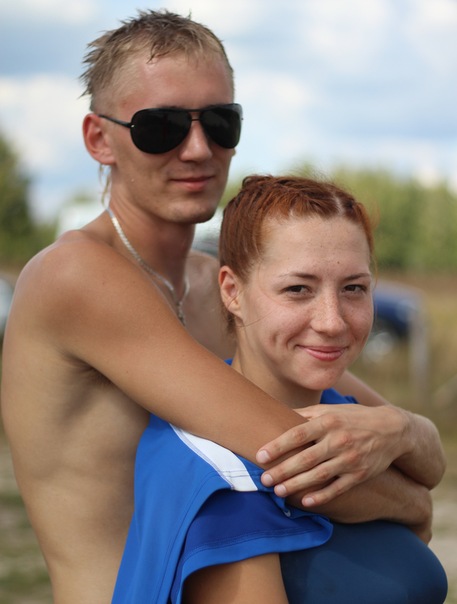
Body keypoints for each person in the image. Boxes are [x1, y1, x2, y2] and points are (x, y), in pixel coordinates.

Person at [0, 10, 445, 604]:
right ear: (98, 138)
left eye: (219, 122)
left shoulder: (212, 283)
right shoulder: (76, 275)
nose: (197, 149)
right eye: (160, 126)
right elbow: (295, 458)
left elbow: (408, 449)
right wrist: (411, 502)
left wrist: (403, 428)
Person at [112, 175, 447, 604]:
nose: (332, 321)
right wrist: (412, 502)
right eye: (298, 289)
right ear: (232, 291)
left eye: (354, 288)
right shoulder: (219, 475)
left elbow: (431, 470)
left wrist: (403, 428)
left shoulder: (342, 415)